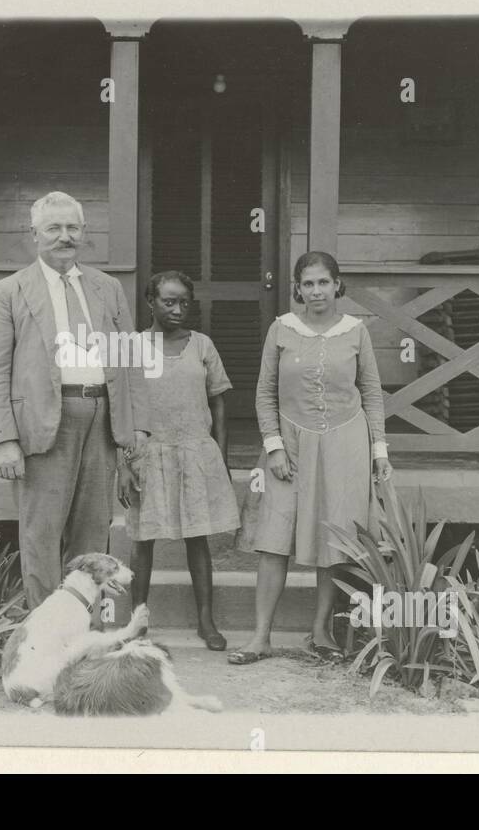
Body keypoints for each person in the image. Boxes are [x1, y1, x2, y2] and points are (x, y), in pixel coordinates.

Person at [0, 191, 150, 610]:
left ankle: (85, 632)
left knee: (93, 533)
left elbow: (130, 359)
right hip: (43, 424)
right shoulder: (9, 292)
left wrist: (136, 424)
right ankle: (46, 634)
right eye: (53, 228)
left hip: (101, 419)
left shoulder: (107, 288)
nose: (64, 237)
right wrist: (2, 439)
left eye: (72, 228)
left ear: (83, 233)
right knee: (42, 533)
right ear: (34, 235)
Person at [228, 251, 394, 665]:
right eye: (308, 283)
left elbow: (371, 393)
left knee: (333, 540)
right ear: (298, 288)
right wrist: (274, 446)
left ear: (337, 284)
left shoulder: (356, 331)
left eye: (323, 282)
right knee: (273, 539)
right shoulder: (282, 330)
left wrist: (379, 451)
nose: (316, 291)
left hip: (345, 443)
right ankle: (260, 636)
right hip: (290, 445)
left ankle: (320, 631)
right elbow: (264, 392)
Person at [118, 271, 240, 651]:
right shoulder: (133, 346)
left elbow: (219, 401)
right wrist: (124, 465)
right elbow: (120, 409)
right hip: (147, 453)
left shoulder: (202, 345)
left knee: (197, 537)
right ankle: (137, 621)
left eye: (184, 302)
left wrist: (219, 453)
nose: (177, 309)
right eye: (168, 301)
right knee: (143, 539)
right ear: (150, 302)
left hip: (193, 450)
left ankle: (206, 620)